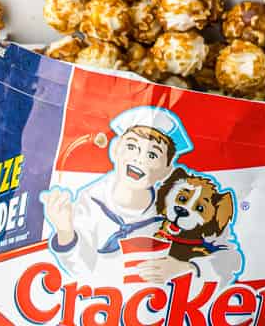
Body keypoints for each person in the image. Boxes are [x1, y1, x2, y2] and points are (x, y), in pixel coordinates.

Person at [40, 104, 243, 288]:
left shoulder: (172, 206)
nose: (139, 159)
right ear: (115, 149)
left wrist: (188, 268)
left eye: (152, 155)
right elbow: (79, 270)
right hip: (99, 300)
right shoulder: (90, 201)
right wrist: (65, 232)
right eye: (131, 146)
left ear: (167, 169)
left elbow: (231, 258)